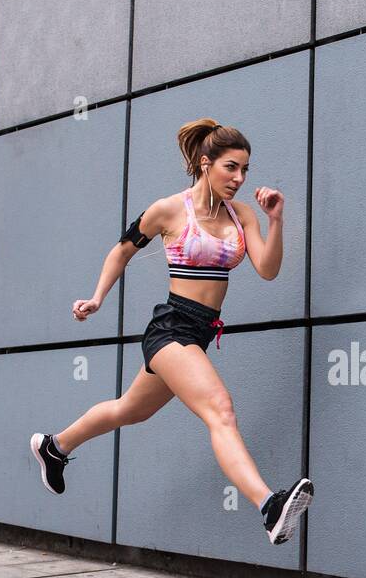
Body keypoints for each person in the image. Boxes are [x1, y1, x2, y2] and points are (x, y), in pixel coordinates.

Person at [29, 118, 312, 546]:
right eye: (230, 167)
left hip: (197, 335)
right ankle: (270, 506)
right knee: (220, 409)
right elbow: (121, 250)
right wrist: (97, 298)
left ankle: (54, 447)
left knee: (130, 410)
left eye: (245, 170)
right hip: (170, 329)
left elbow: (268, 270)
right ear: (205, 164)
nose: (239, 178)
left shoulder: (245, 216)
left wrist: (277, 221)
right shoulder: (169, 210)